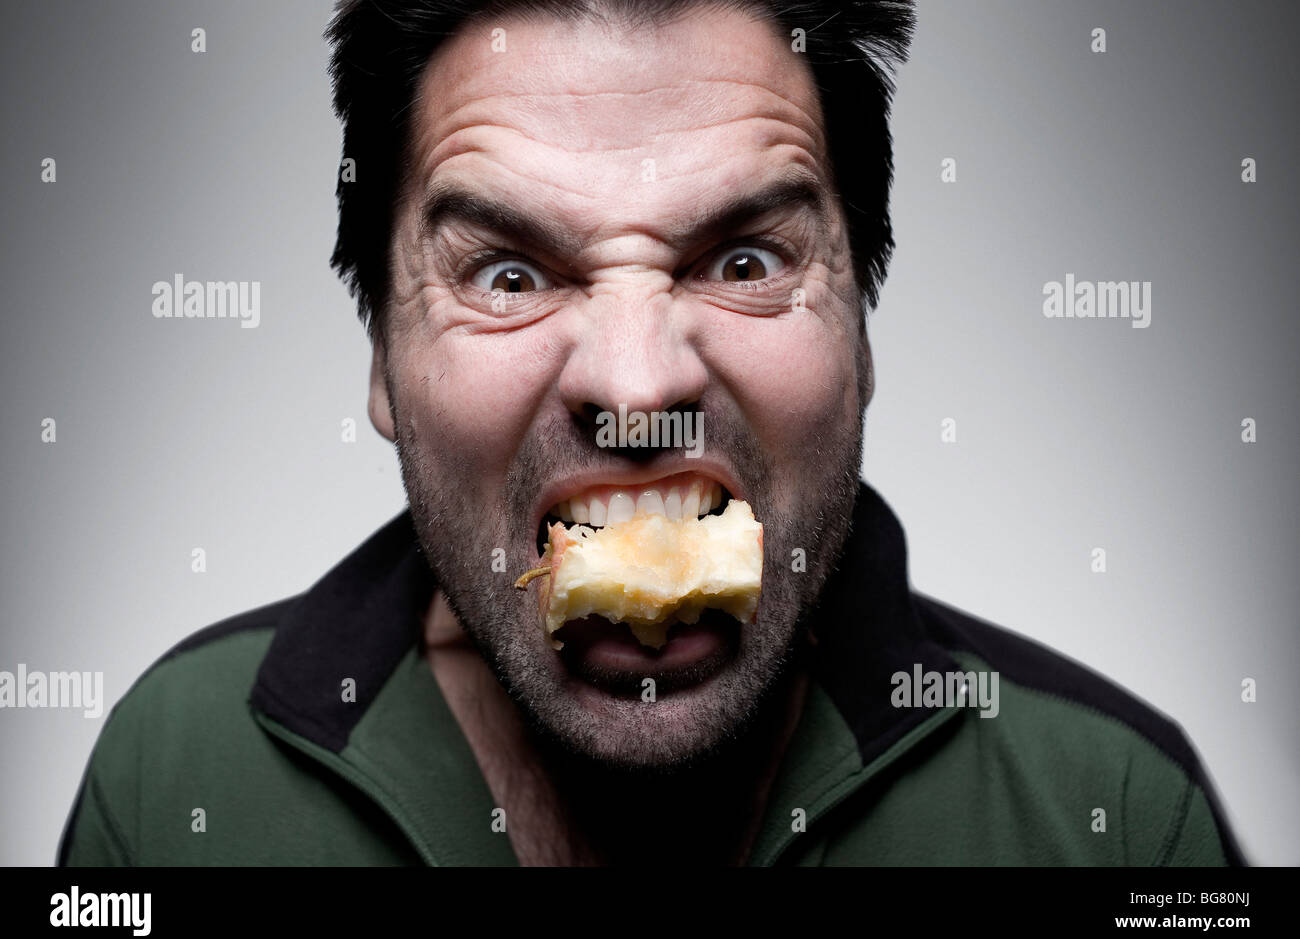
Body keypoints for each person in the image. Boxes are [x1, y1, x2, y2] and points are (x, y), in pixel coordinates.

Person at [58, 0, 1244, 866]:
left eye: (745, 262)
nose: (635, 390)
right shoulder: (171, 779)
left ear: (862, 329)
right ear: (381, 354)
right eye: (509, 274)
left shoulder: (1121, 817)